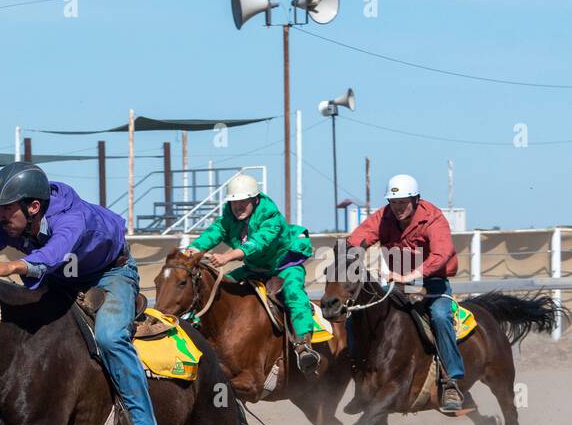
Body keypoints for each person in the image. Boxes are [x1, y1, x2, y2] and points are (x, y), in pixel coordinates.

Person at [0, 162, 160, 425]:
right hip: (60, 279)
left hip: (109, 274)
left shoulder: (72, 219)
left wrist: (8, 267)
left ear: (33, 207)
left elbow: (51, 255)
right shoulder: (9, 221)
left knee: (109, 337)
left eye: (5, 210)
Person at [346, 173, 464, 412]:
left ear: (416, 200)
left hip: (433, 284)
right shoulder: (383, 216)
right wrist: (352, 254)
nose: (397, 208)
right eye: (394, 202)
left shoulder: (433, 218)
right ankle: (362, 386)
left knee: (440, 318)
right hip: (398, 285)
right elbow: (358, 238)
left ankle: (451, 382)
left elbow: (442, 254)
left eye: (403, 202)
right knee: (355, 320)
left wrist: (409, 276)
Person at [189, 173, 319, 374]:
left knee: (294, 292)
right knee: (218, 287)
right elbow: (212, 233)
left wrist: (228, 256)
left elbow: (258, 242)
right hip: (254, 269)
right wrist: (191, 251)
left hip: (283, 266)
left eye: (244, 202)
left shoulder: (271, 217)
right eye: (234, 203)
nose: (238, 207)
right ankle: (195, 325)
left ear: (255, 200)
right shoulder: (228, 218)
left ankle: (304, 346)